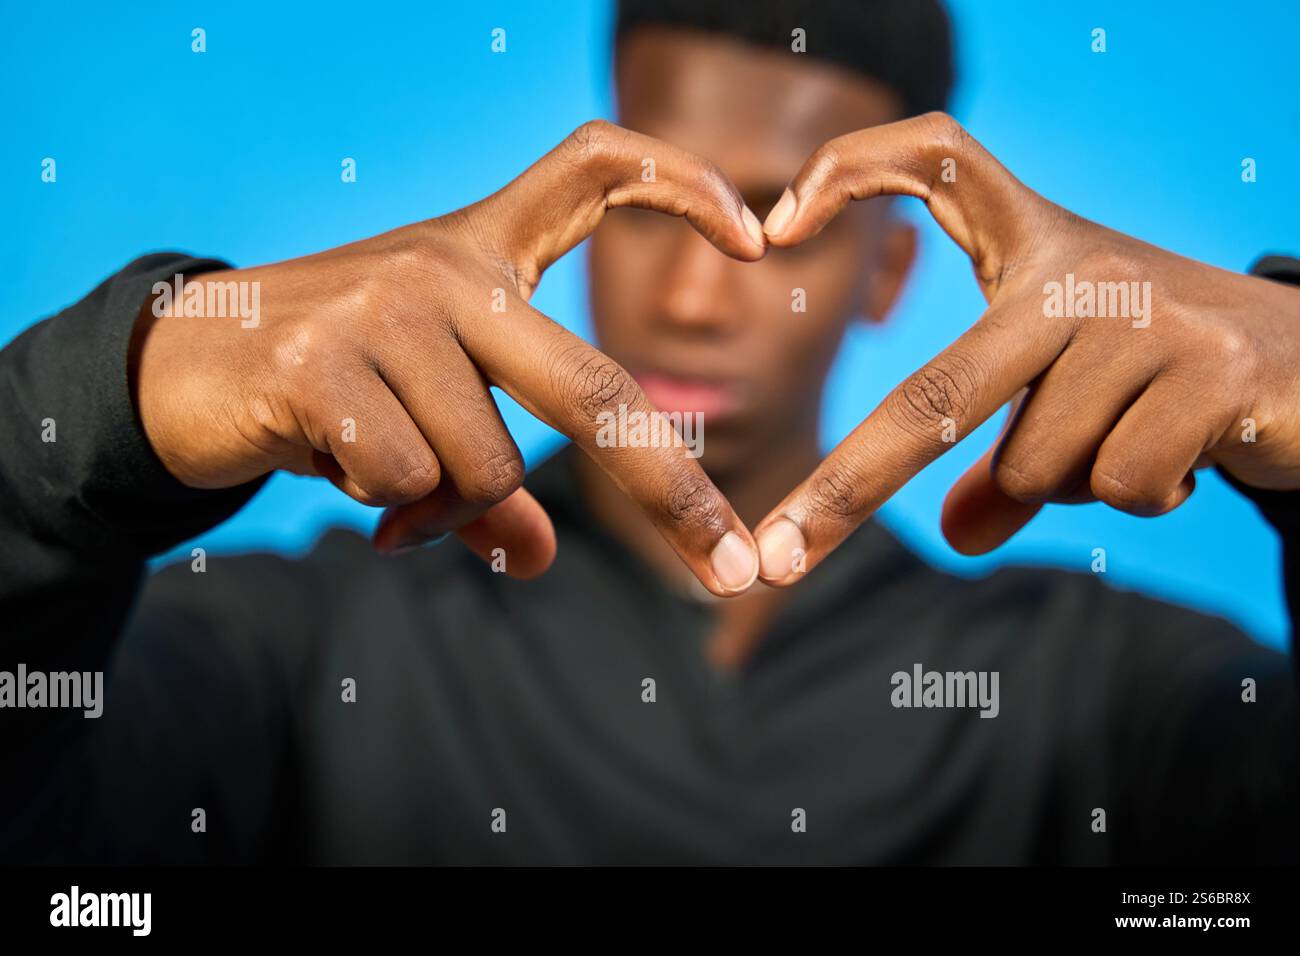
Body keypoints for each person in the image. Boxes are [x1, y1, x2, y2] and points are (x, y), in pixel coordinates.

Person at [2, 0, 1298, 865]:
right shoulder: (308, 645)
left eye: (776, 221)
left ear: (894, 273)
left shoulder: (1108, 695)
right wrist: (107, 395)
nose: (687, 300)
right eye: (646, 208)